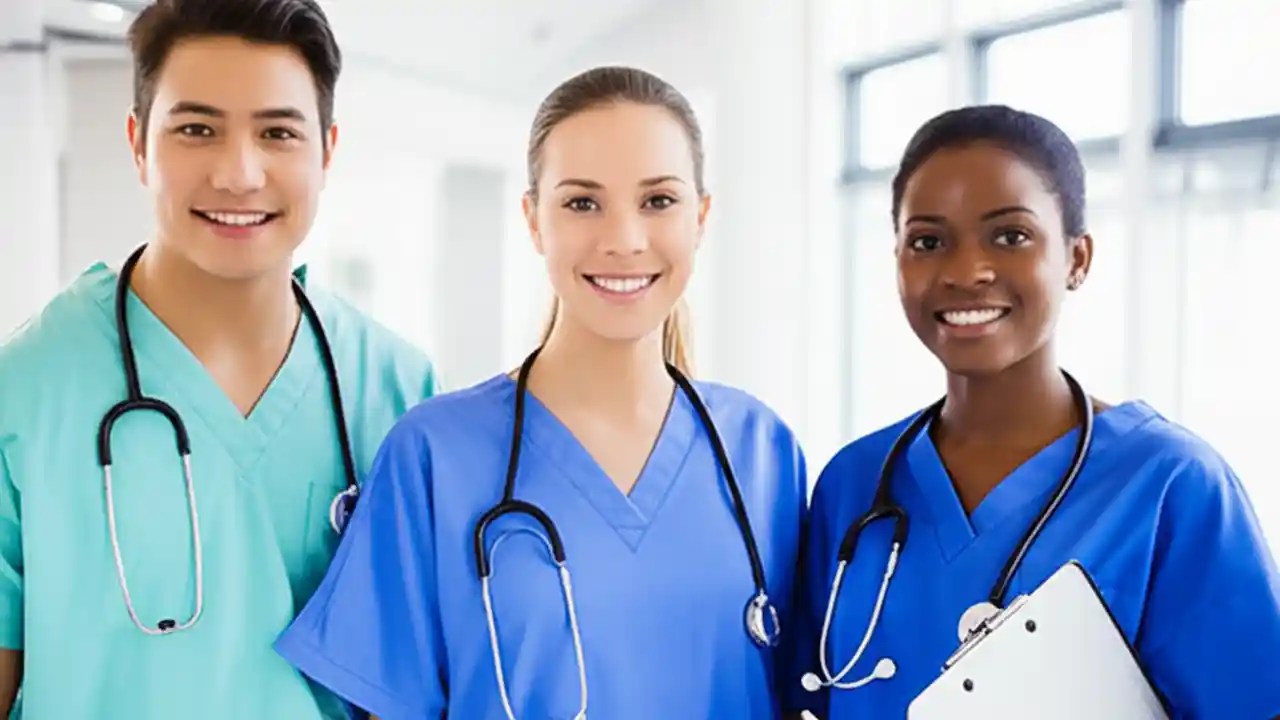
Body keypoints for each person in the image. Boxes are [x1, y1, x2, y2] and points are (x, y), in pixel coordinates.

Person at [274, 65, 808, 719]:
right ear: (533, 220)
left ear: (701, 217)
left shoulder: (761, 451)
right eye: (583, 202)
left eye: (658, 201)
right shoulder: (435, 455)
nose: (623, 240)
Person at [0, 1, 440, 717]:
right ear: (139, 142)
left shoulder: (399, 391)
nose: (239, 173)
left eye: (277, 132)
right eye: (197, 129)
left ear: (327, 150)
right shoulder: (26, 389)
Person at [784, 105, 1280, 719]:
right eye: (928, 241)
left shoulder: (1172, 486)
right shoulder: (854, 484)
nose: (967, 272)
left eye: (1010, 235)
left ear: (1077, 259)